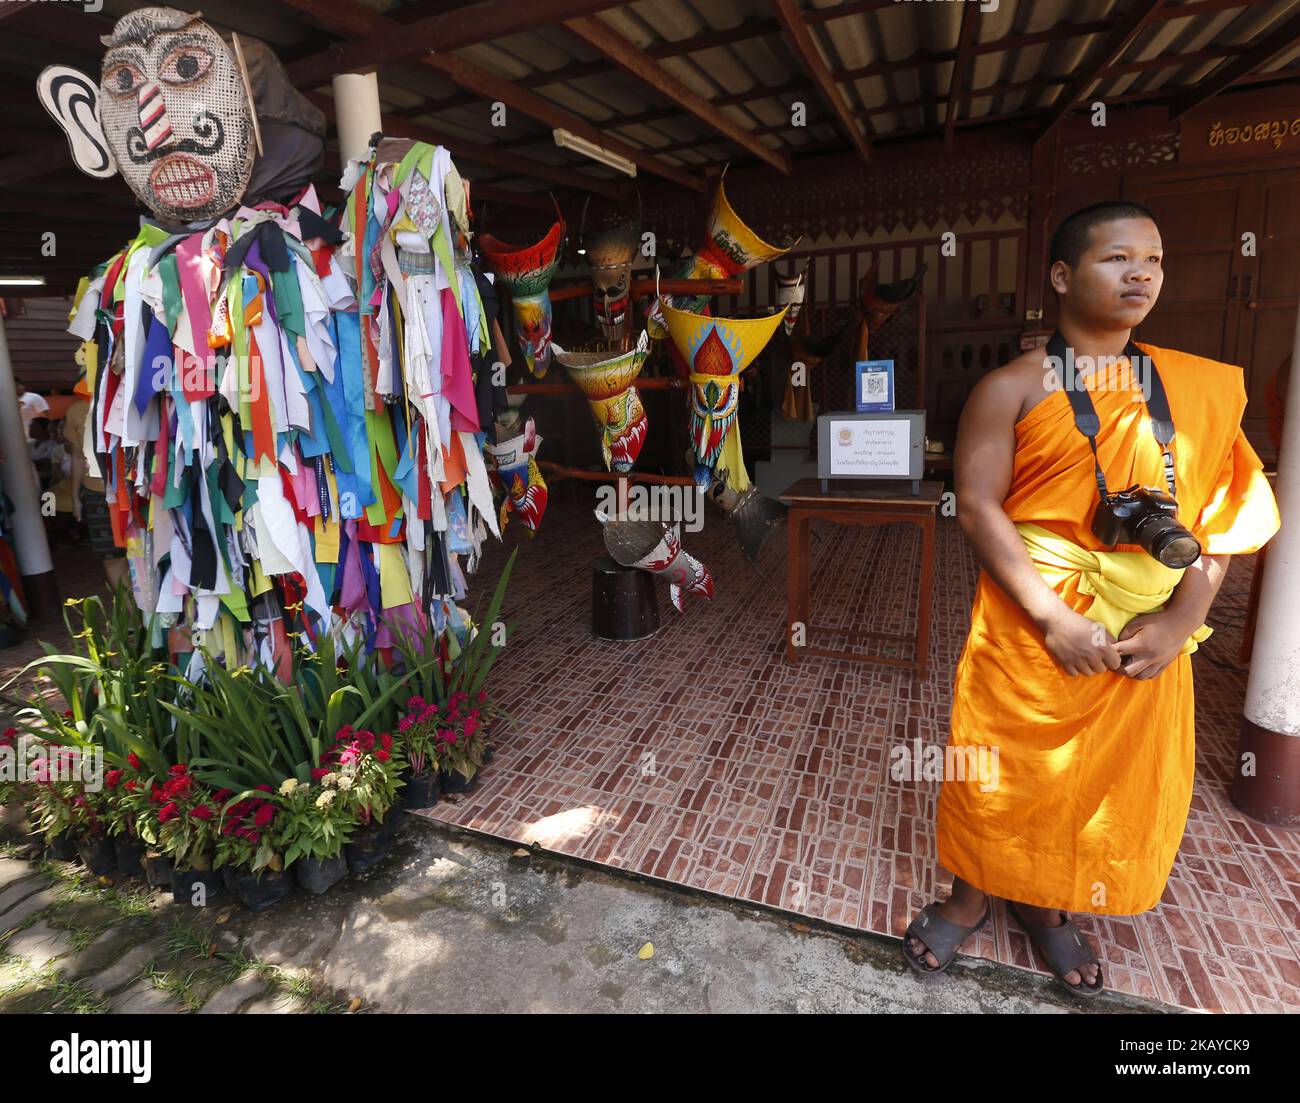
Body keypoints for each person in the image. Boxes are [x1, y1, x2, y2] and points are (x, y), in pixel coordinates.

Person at [902, 201, 1280, 998]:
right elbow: (976, 506)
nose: (1141, 272)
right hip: (1034, 611)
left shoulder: (1197, 387)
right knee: (1000, 762)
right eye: (1118, 258)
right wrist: (1052, 615)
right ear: (1063, 275)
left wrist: (1182, 621)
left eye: (1154, 257)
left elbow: (1224, 520)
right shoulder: (1011, 386)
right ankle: (970, 895)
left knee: (1099, 776)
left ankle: (1050, 900)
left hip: (1151, 620)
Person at [63, 388, 128, 588]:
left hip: (135, 488)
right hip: (97, 492)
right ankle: (132, 615)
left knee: (145, 552)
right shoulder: (76, 411)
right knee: (111, 556)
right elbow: (76, 455)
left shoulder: (127, 395)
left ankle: (158, 614)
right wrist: (75, 497)